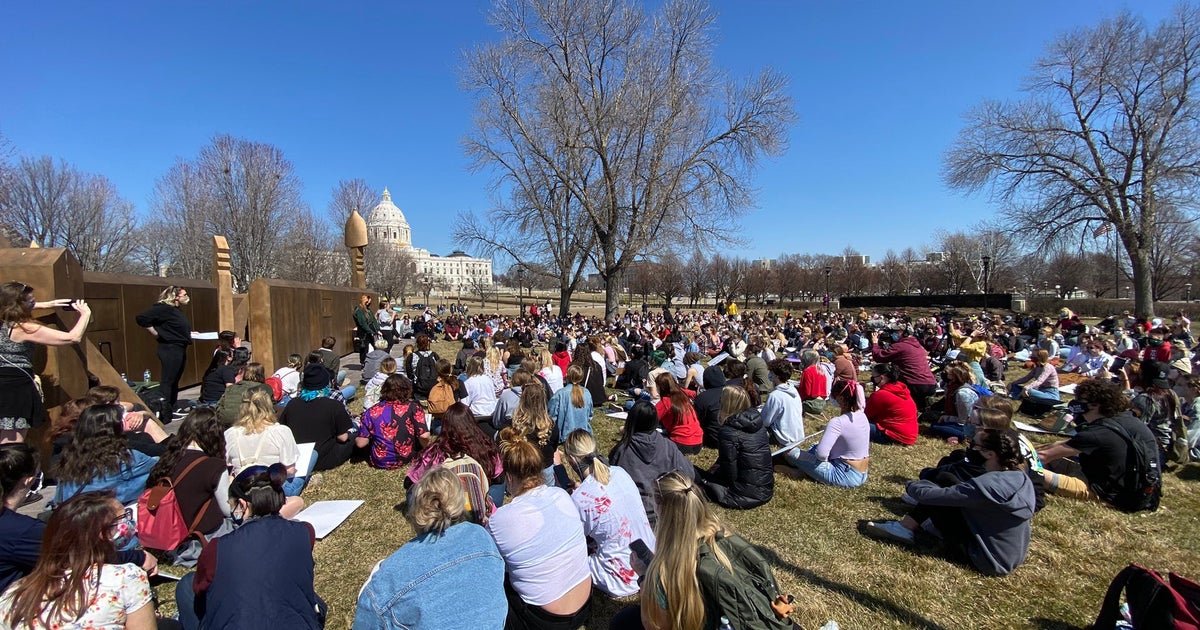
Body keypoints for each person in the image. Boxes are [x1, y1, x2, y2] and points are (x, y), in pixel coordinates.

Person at [610, 471, 797, 630]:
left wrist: (645, 576)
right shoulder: (726, 538)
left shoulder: (666, 571)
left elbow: (655, 626)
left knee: (624, 621)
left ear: (663, 513)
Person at [862, 428, 1036, 576]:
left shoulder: (987, 486)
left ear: (990, 454)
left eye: (973, 445)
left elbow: (931, 497)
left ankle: (905, 528)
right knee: (947, 484)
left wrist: (912, 485)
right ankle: (914, 525)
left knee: (943, 483)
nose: (969, 448)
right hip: (1006, 556)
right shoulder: (1020, 477)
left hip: (985, 558)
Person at [353, 467, 506, 630]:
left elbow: (368, 620)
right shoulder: (481, 537)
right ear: (460, 504)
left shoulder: (388, 579)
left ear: (416, 510)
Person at [176, 464, 325, 630]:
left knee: (186, 585)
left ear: (242, 504)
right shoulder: (305, 532)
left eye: (231, 504)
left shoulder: (217, 548)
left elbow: (200, 587)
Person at [0, 444, 155, 595]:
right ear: (28, 481)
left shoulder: (15, 527)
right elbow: (78, 556)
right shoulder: (21, 531)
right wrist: (138, 557)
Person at [0, 492, 162, 629]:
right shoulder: (127, 577)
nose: (128, 522)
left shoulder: (13, 594)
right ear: (103, 534)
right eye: (123, 517)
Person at [488, 430, 591, 629]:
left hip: (543, 620)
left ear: (509, 476)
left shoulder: (500, 519)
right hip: (584, 604)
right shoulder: (561, 495)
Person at [1037, 378, 1163, 509]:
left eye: (1080, 400)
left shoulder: (1097, 433)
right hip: (1138, 491)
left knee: (1029, 469)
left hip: (1111, 495)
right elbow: (1064, 444)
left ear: (1094, 405)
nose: (1075, 403)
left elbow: (1044, 455)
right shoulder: (1124, 420)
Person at [562, 429, 655, 599]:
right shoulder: (620, 472)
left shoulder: (580, 498)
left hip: (621, 578)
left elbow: (576, 539)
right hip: (649, 560)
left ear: (571, 459)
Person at [0, 282, 92, 443]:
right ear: (18, 306)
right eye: (31, 302)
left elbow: (9, 305)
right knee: (11, 444)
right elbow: (73, 337)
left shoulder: (3, 323)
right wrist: (85, 314)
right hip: (14, 390)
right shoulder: (22, 329)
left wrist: (46, 305)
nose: (34, 303)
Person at [143, 408, 233, 563]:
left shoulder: (167, 459)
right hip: (200, 537)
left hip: (167, 534)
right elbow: (227, 510)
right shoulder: (213, 466)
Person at [52, 404, 158, 509]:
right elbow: (161, 466)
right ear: (115, 428)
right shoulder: (126, 459)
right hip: (107, 518)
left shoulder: (69, 458)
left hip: (73, 516)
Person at [608, 401, 696, 527]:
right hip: (666, 512)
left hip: (634, 515)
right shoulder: (668, 446)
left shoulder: (622, 451)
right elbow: (689, 474)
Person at [224, 389, 308, 517]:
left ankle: (249, 515)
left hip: (243, 492)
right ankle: (270, 516)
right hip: (271, 490)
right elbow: (290, 470)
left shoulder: (230, 433)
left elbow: (229, 465)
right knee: (298, 500)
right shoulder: (280, 431)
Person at [406, 402, 506, 507]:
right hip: (478, 499)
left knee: (412, 493)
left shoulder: (435, 451)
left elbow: (409, 482)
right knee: (499, 483)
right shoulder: (486, 447)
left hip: (448, 504)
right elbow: (499, 477)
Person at [781, 379, 870, 488]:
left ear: (841, 399)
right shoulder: (862, 416)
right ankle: (806, 472)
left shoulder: (838, 422)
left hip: (844, 474)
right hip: (862, 473)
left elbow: (821, 455)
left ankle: (802, 471)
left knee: (790, 452)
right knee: (814, 448)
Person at [696, 386, 774, 509]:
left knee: (692, 471)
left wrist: (714, 475)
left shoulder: (728, 431)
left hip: (743, 495)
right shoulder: (757, 421)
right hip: (765, 488)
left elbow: (730, 473)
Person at [279, 364, 355, 472]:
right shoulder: (334, 405)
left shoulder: (292, 404)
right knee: (354, 434)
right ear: (327, 383)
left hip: (298, 457)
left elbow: (284, 429)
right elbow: (342, 437)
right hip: (324, 459)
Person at [135, 285, 193, 417]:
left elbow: (173, 327)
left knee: (175, 379)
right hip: (169, 348)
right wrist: (155, 332)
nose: (186, 297)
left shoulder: (176, 310)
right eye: (184, 295)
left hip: (180, 346)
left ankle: (173, 406)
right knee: (168, 380)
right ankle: (165, 410)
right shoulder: (163, 309)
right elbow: (141, 318)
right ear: (175, 297)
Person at [357, 374, 430, 470]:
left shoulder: (370, 412)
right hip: (408, 457)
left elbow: (361, 443)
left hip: (380, 461)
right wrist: (426, 448)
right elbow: (424, 436)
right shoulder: (413, 407)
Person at [869, 327, 938, 411]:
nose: (893, 335)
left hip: (914, 384)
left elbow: (879, 357)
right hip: (930, 383)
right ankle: (924, 406)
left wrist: (875, 343)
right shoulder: (919, 346)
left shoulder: (901, 346)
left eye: (896, 332)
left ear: (902, 333)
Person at [864, 362, 918, 446]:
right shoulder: (901, 389)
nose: (872, 379)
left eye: (873, 377)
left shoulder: (881, 394)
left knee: (854, 424)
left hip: (894, 436)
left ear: (881, 378)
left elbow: (866, 415)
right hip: (910, 435)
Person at [929, 362, 981, 445]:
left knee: (934, 427)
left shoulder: (962, 393)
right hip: (963, 422)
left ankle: (965, 438)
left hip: (969, 427)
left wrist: (946, 418)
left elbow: (963, 420)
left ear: (955, 377)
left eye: (948, 374)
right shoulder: (953, 389)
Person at [760, 359, 806, 448]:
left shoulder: (775, 396)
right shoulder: (794, 391)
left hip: (784, 438)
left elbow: (765, 421)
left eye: (771, 373)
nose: (769, 375)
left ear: (776, 376)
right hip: (798, 435)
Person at [654, 372, 703, 455]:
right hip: (698, 442)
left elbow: (649, 420)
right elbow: (695, 394)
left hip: (681, 443)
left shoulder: (665, 402)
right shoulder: (683, 394)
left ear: (660, 387)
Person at [214, 361, 271, 427]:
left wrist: (223, 415)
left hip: (225, 420)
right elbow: (270, 408)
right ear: (261, 374)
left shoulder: (231, 387)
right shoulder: (264, 388)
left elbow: (219, 404)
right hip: (248, 421)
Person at [548, 365, 594, 442]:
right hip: (583, 433)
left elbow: (551, 415)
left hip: (565, 434)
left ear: (567, 376)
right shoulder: (587, 393)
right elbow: (590, 414)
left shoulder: (560, 394)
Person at [1008, 349, 1060, 414]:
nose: (1031, 357)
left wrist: (1027, 388)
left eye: (1034, 356)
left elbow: (1039, 381)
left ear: (1040, 357)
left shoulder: (1048, 367)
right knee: (1014, 386)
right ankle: (1020, 395)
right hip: (1040, 391)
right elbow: (1026, 378)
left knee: (1029, 390)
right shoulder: (1037, 367)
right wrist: (1012, 383)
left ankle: (1017, 395)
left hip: (1050, 394)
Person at [694, 365, 728, 448]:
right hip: (734, 438)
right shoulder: (733, 392)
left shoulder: (702, 397)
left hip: (714, 439)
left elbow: (697, 420)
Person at [405, 333, 442, 399]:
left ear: (417, 344)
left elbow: (409, 374)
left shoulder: (412, 356)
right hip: (433, 385)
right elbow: (440, 370)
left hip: (418, 388)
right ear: (428, 343)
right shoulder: (434, 355)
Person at [797, 349, 827, 417]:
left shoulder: (807, 371)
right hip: (822, 403)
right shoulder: (821, 371)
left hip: (810, 404)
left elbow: (806, 392)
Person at [354, 294, 382, 366]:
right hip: (363, 332)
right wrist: (370, 331)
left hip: (371, 331)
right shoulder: (359, 310)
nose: (369, 303)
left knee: (376, 346)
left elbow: (373, 320)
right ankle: (363, 363)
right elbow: (362, 323)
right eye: (369, 301)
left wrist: (377, 330)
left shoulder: (368, 310)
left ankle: (377, 361)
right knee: (364, 348)